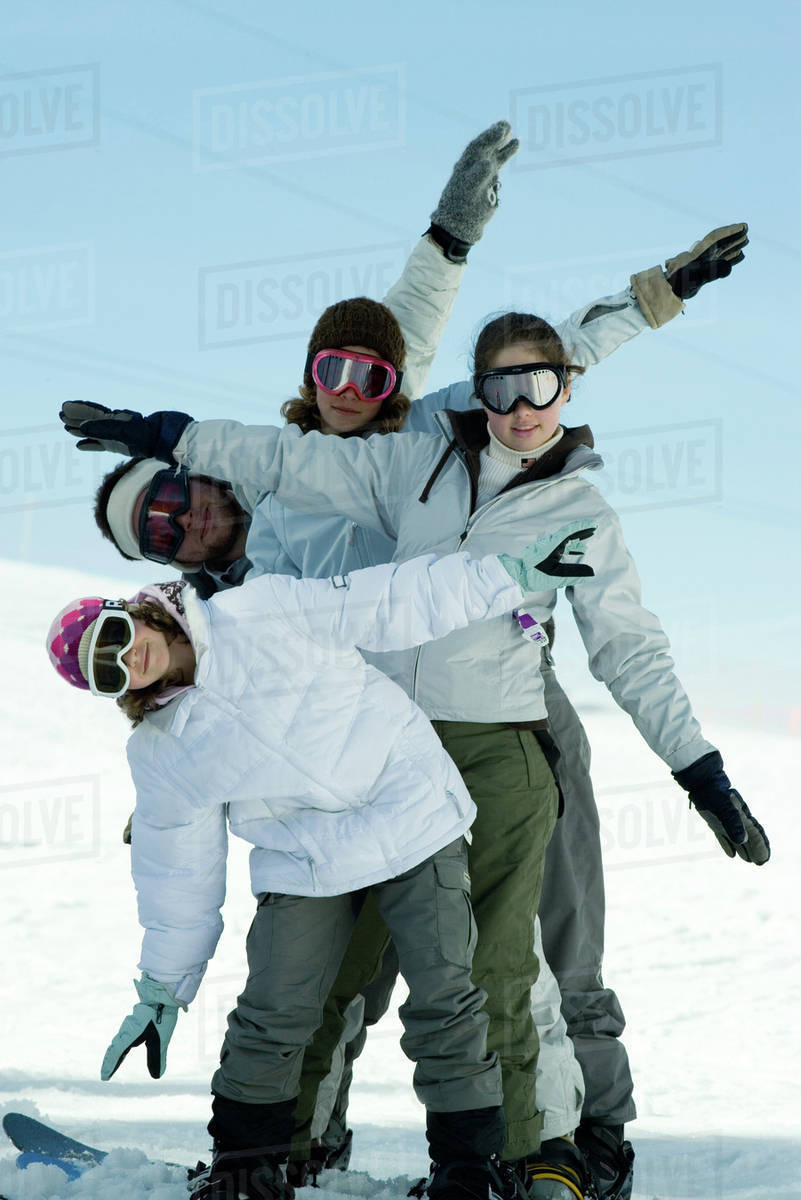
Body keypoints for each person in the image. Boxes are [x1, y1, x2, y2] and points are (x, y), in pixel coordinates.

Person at [69, 223, 751, 1200]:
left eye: (176, 499)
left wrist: (634, 287)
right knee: (339, 964)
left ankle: (575, 1145)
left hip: (510, 710)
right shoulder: (236, 581)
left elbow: (493, 346)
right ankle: (293, 1146)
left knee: (542, 955)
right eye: (159, 531)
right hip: (373, 742)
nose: (181, 522)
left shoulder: (402, 439)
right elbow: (201, 709)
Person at [45, 527, 596, 1200]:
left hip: (409, 813)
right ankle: (245, 1163)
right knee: (273, 1008)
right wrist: (163, 987)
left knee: (444, 999)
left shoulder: (257, 611)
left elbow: (391, 599)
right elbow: (178, 875)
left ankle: (468, 1167)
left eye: (114, 637)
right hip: (304, 856)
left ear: (128, 612)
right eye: (109, 672)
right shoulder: (164, 751)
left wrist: (505, 574)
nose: (128, 659)